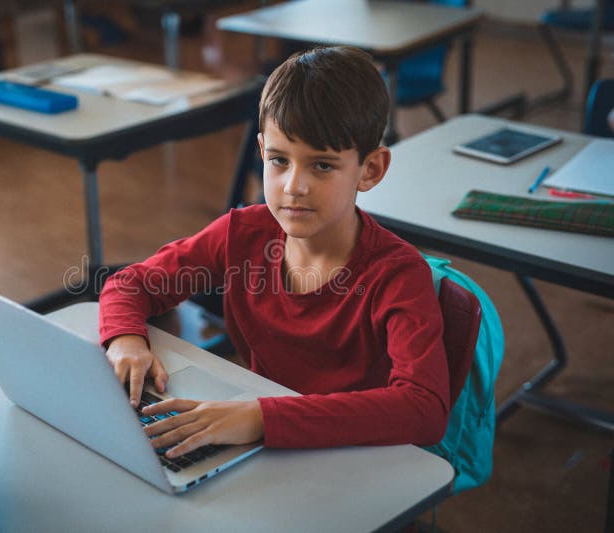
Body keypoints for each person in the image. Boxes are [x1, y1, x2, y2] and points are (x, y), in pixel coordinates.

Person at [98, 46, 449, 459]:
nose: (293, 186)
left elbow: (424, 409)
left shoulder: (398, 274)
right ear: (262, 151)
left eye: (322, 166)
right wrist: (125, 339)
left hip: (352, 458)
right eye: (280, 160)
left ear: (370, 170)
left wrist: (261, 419)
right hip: (264, 446)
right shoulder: (242, 235)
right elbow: (132, 283)